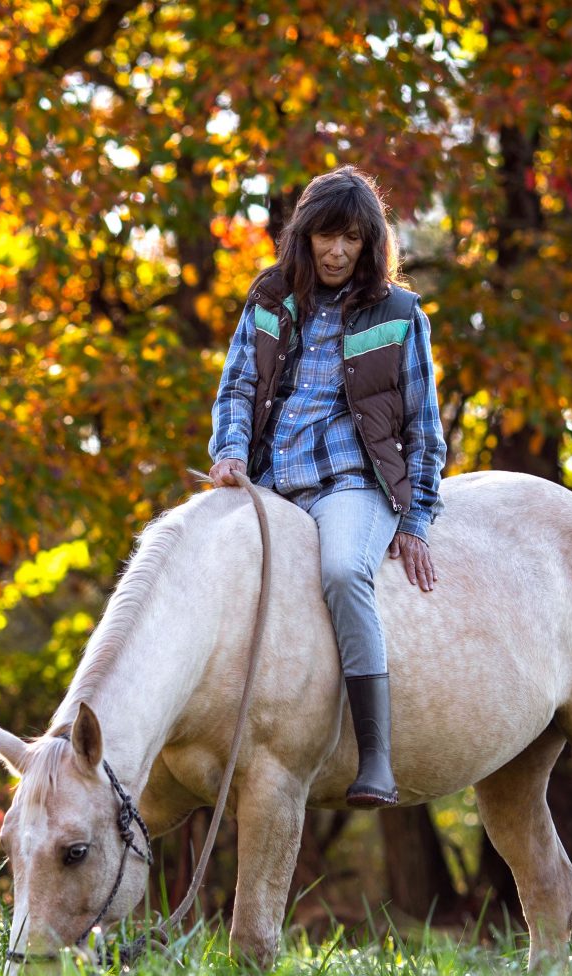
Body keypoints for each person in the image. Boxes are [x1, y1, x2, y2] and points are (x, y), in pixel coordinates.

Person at [208, 165, 446, 808]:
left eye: (351, 240)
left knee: (343, 570)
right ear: (304, 238)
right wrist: (229, 452)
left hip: (352, 484)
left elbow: (423, 424)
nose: (337, 252)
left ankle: (376, 757)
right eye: (325, 238)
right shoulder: (270, 297)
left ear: (371, 245)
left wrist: (417, 517)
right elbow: (235, 387)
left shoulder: (399, 315)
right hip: (269, 483)